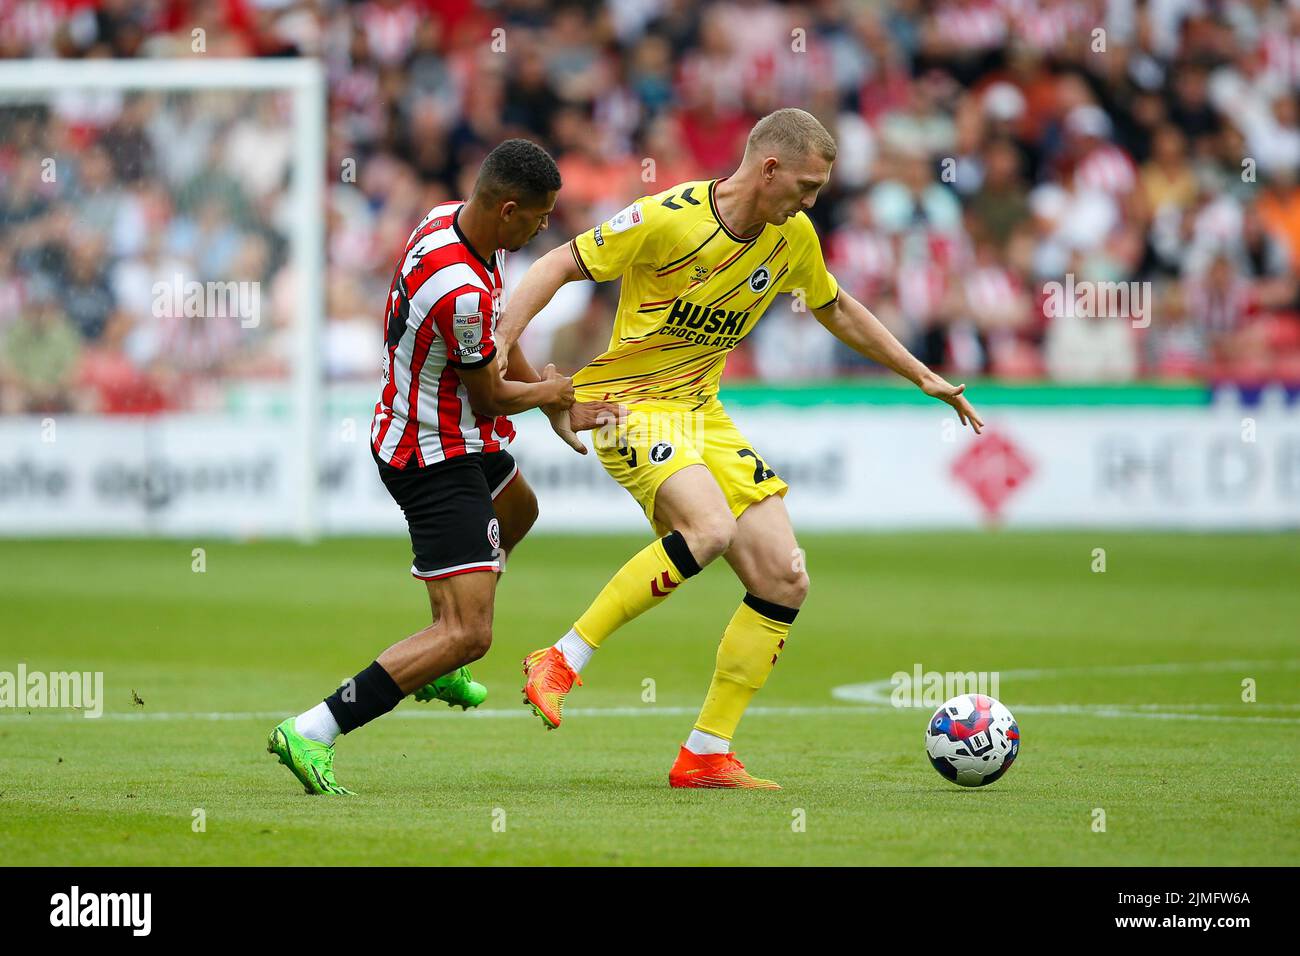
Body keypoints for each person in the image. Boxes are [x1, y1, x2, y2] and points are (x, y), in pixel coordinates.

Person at [496, 110, 983, 789]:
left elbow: (835, 306)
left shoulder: (793, 237)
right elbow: (557, 262)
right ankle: (561, 659)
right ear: (769, 169)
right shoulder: (668, 218)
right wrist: (501, 357)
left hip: (702, 415)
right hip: (625, 408)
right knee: (711, 529)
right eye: (807, 186)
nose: (812, 201)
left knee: (785, 577)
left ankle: (704, 753)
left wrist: (921, 374)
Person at [268, 139, 616, 795]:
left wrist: (546, 402)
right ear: (508, 209)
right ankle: (314, 728)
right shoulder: (461, 290)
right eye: (539, 216)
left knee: (519, 509)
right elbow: (488, 393)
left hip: (447, 432)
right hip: (432, 454)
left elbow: (495, 344)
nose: (544, 228)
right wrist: (552, 392)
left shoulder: (445, 223)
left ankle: (440, 653)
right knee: (469, 633)